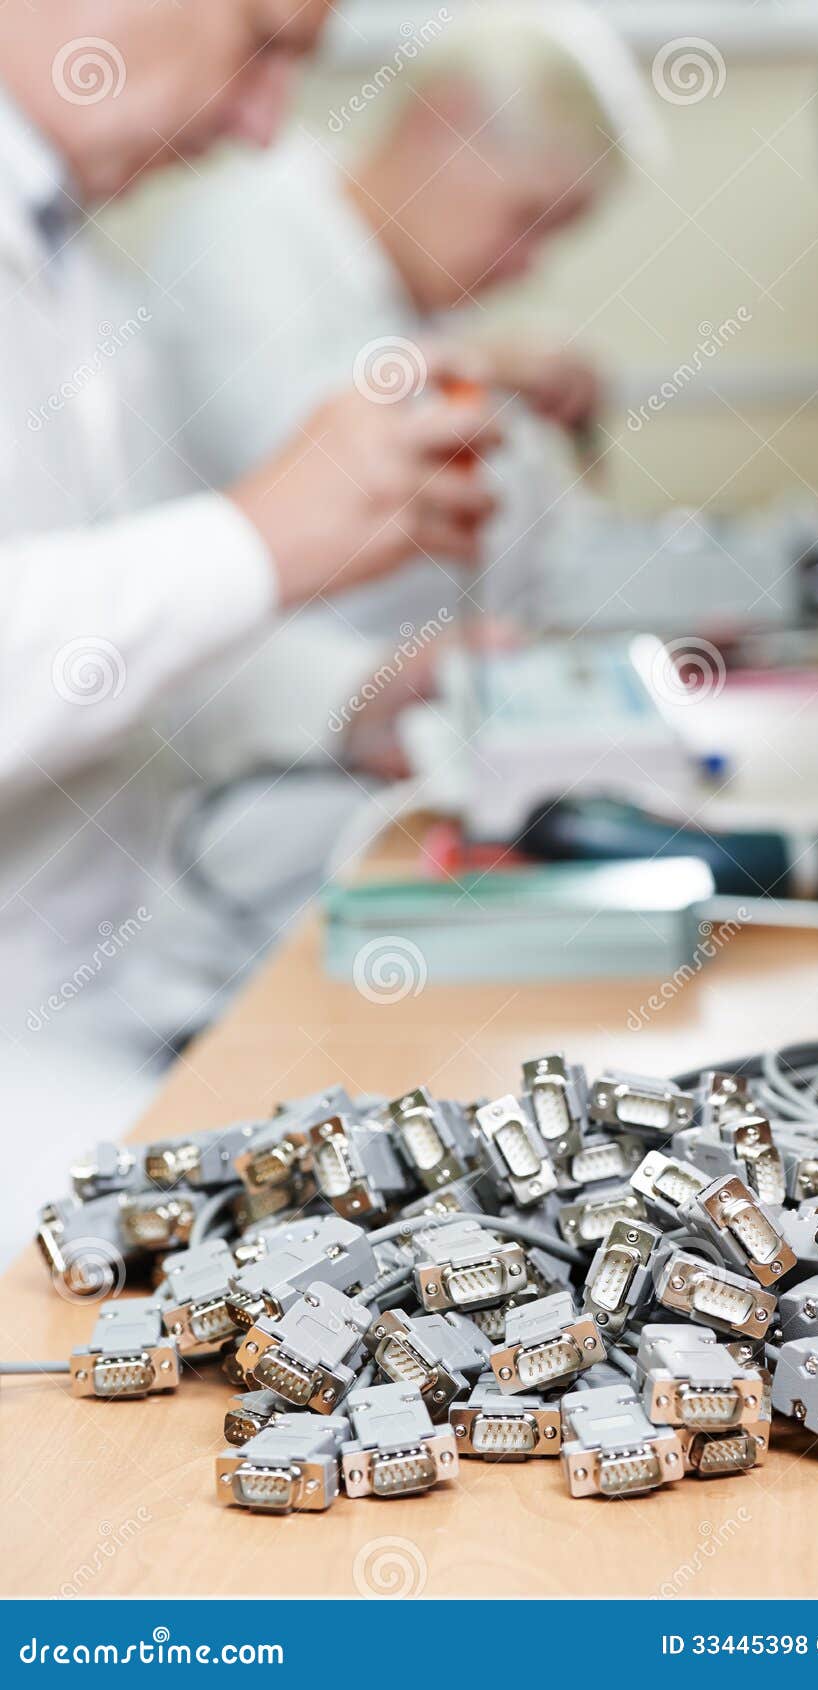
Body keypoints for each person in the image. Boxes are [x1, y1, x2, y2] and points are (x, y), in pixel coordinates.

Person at [0, 0, 503, 1257]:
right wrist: (258, 539)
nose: (264, 121)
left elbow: (128, 649)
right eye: (265, 42)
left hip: (114, 989)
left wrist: (363, 696)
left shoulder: (71, 272)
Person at [149, 1, 662, 636]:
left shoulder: (434, 309)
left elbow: (544, 561)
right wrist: (485, 368)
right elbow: (314, 470)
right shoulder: (242, 231)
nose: (529, 266)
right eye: (527, 218)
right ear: (443, 121)